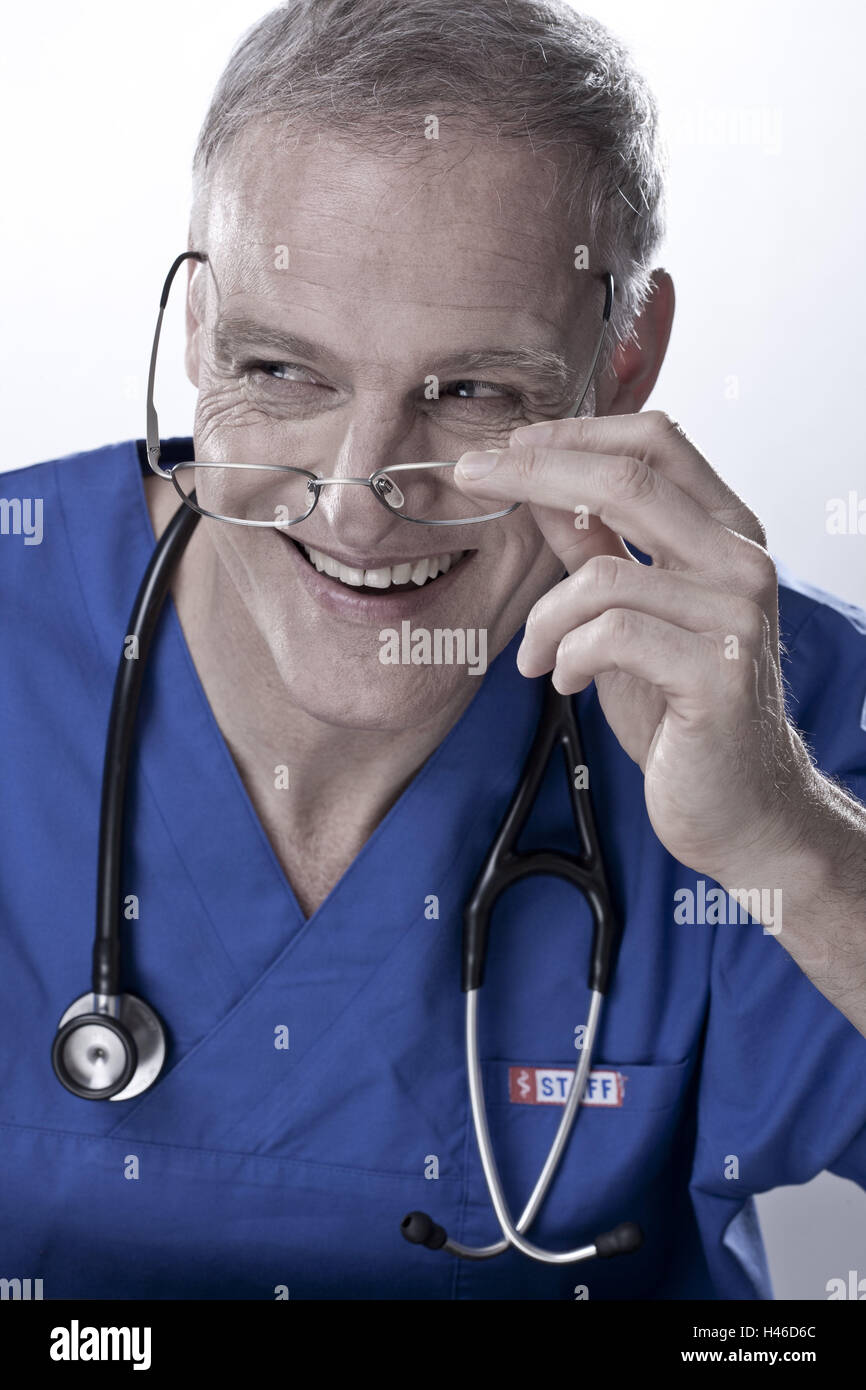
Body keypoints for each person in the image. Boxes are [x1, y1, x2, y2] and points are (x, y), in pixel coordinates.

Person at [1, 0, 865, 1302]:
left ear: (623, 356)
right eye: (283, 370)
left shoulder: (768, 697)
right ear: (194, 326)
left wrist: (783, 840)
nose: (354, 501)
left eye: (470, 392)